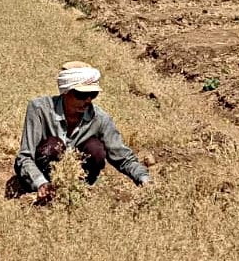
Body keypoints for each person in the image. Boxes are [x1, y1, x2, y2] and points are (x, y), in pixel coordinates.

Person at [9, 61, 151, 202]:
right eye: (82, 95)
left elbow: (123, 158)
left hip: (79, 184)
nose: (88, 100)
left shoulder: (100, 119)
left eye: (93, 94)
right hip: (42, 179)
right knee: (53, 146)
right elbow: (25, 156)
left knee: (95, 149)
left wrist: (143, 179)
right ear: (65, 92)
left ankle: (82, 190)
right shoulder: (39, 109)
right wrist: (40, 183)